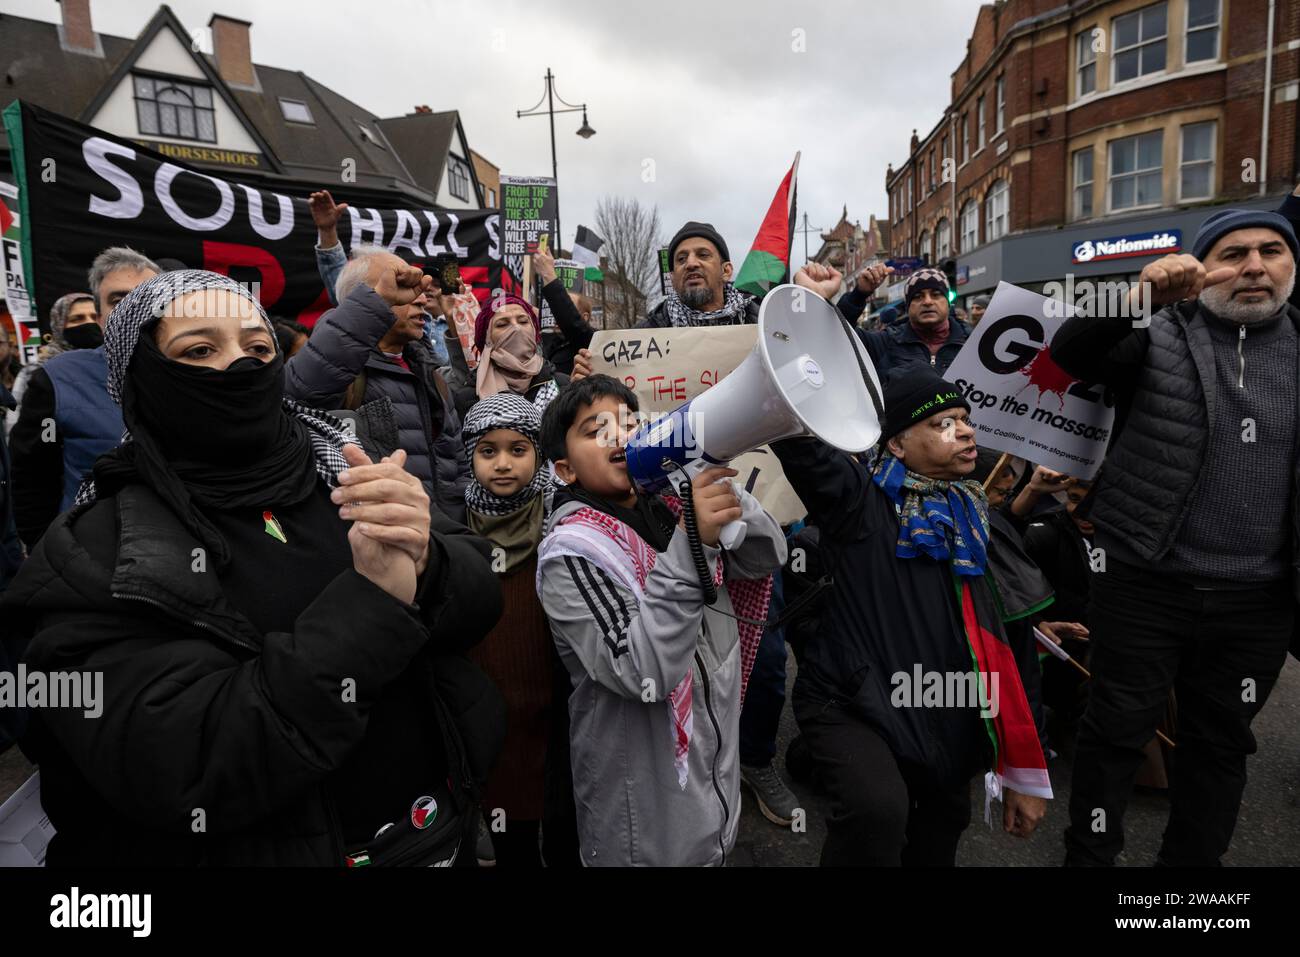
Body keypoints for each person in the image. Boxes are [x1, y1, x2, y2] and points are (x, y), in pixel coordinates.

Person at [0, 269, 504, 866]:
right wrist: (373, 605)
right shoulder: (95, 549)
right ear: (143, 378)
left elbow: (477, 596)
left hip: (436, 840)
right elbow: (186, 761)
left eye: (257, 347)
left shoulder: (339, 462)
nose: (239, 366)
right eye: (200, 350)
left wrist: (430, 557)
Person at [1052, 209, 1300, 867]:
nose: (1253, 265)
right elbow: (1069, 351)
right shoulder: (1157, 333)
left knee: (1220, 744)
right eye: (1233, 251)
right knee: (1114, 733)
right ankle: (1089, 857)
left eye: (1272, 251)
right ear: (1199, 268)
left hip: (1257, 601)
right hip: (1144, 582)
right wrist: (1137, 294)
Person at [771, 366, 1052, 866]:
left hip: (948, 711)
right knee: (877, 813)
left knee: (939, 832)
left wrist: (1025, 772)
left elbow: (1016, 652)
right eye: (942, 423)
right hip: (854, 705)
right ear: (896, 445)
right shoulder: (859, 505)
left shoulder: (983, 524)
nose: (965, 431)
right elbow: (802, 443)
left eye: (965, 419)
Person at [537, 375, 786, 865]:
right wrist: (696, 541)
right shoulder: (571, 553)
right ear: (565, 469)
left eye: (631, 423)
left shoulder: (670, 506)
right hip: (642, 820)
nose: (620, 435)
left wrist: (724, 492)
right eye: (596, 430)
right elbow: (642, 670)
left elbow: (766, 555)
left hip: (710, 779)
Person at [460, 393, 573, 867]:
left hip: (558, 707)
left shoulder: (561, 516)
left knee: (568, 824)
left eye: (518, 449)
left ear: (539, 455)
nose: (503, 464)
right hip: (492, 713)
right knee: (514, 840)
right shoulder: (453, 527)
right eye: (488, 451)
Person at [284, 246, 471, 524]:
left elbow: (458, 467)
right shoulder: (338, 373)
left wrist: (455, 541)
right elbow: (300, 389)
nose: (420, 299)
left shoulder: (432, 375)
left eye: (417, 289)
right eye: (402, 287)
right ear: (362, 301)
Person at [10, 249, 157, 547]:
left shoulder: (203, 370)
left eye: (146, 296)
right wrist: (49, 555)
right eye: (117, 299)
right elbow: (32, 479)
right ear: (100, 317)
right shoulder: (57, 378)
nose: (132, 307)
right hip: (92, 559)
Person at [797, 263, 969, 384]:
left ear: (948, 301)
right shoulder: (885, 342)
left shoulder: (973, 343)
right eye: (917, 297)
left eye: (936, 294)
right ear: (908, 306)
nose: (927, 301)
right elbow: (835, 333)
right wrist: (858, 294)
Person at [450, 294, 568, 419]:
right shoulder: (468, 397)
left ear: (534, 331)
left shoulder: (563, 386)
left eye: (523, 321)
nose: (516, 328)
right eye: (502, 324)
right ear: (488, 339)